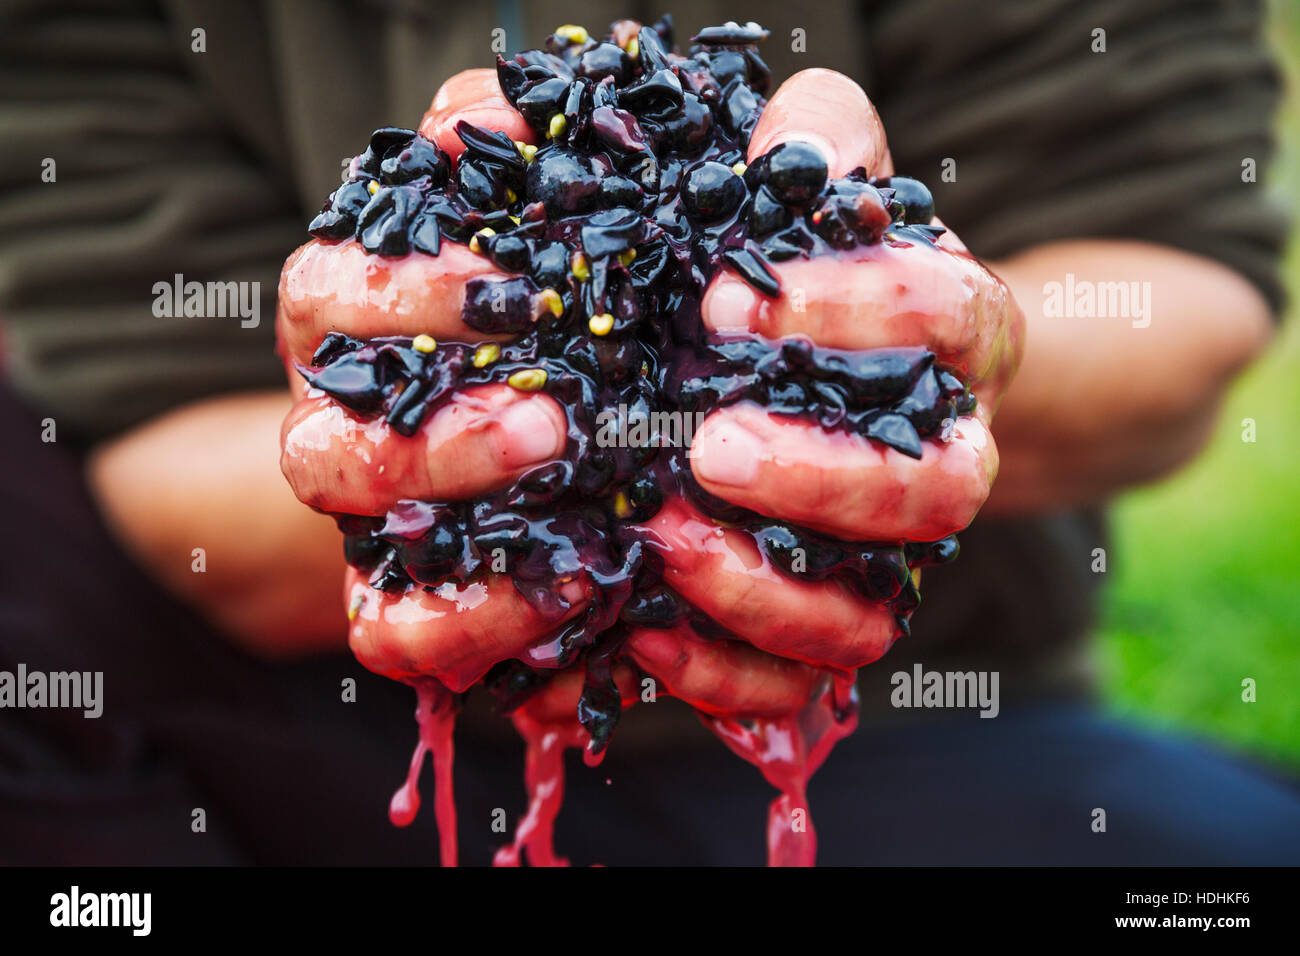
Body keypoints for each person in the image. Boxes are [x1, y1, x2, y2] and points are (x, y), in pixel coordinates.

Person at [2, 0, 1296, 865]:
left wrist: (918, 353)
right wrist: (483, 484)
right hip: (338, 748)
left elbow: (1175, 283)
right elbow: (157, 438)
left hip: (908, 724)